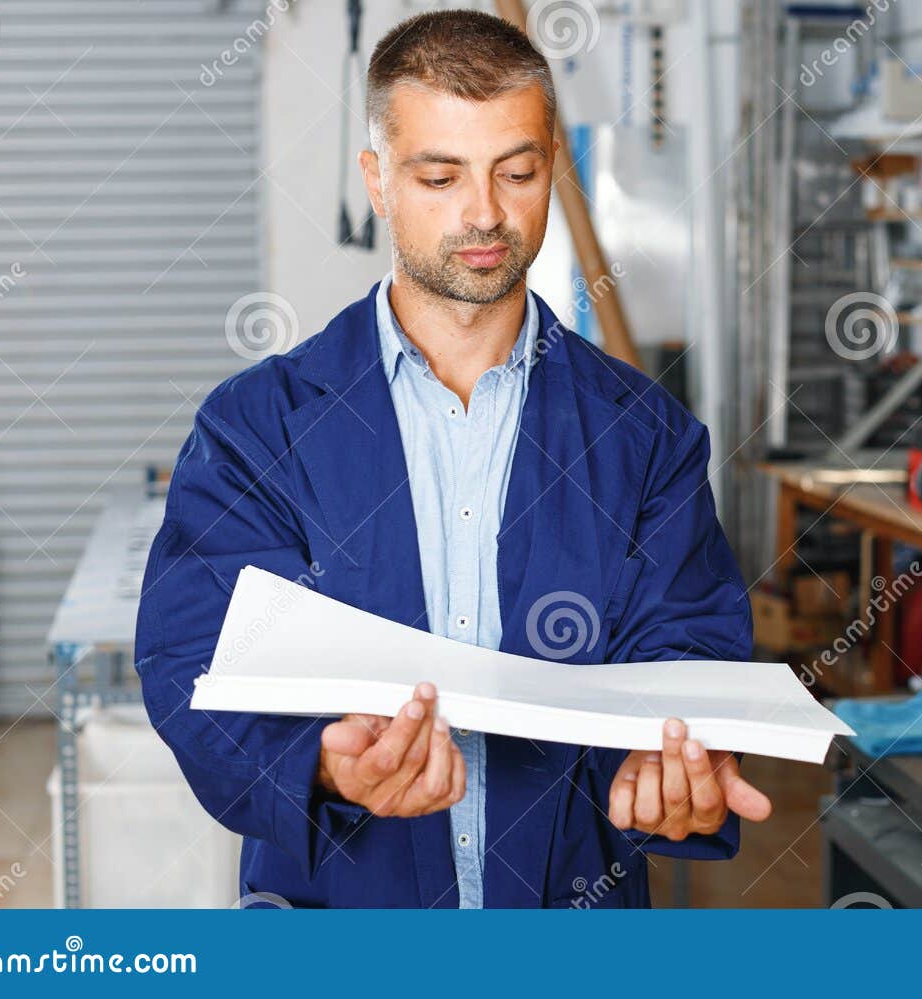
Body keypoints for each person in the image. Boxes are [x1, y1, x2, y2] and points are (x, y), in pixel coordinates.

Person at [136, 9, 768, 909]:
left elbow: (687, 645)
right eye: (440, 176)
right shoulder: (259, 428)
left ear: (552, 165)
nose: (484, 213)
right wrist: (320, 765)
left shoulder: (645, 436)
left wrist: (666, 761)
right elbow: (192, 659)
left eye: (517, 172)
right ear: (378, 180)